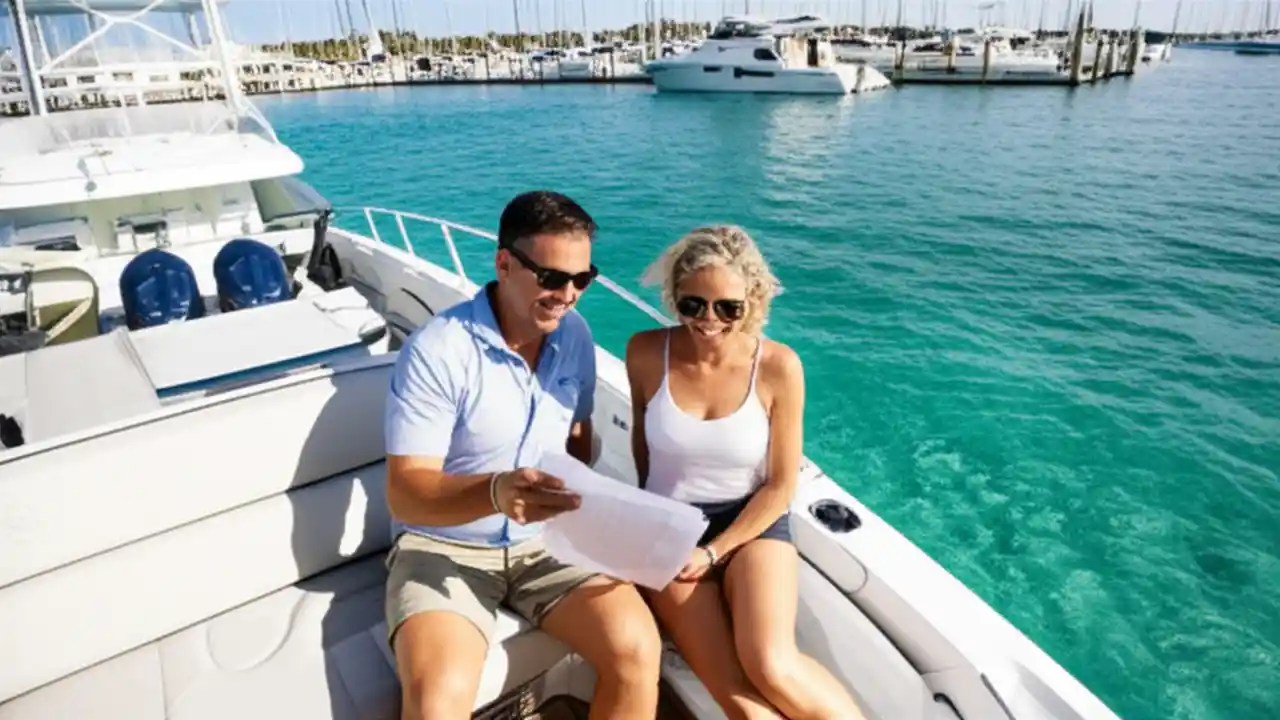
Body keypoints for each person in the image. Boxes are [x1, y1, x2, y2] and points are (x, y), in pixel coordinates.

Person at [384, 191, 662, 720]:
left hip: (547, 540)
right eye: (552, 277)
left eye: (583, 279)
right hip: (446, 546)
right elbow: (406, 492)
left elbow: (578, 435)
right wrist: (496, 491)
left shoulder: (574, 336)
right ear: (504, 264)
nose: (568, 295)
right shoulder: (438, 351)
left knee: (637, 652)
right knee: (437, 704)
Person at [625, 225, 865, 720]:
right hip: (671, 528)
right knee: (736, 697)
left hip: (752, 524)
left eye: (727, 308)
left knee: (772, 666)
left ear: (752, 300)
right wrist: (652, 531)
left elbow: (780, 485)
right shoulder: (645, 352)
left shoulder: (779, 367)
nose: (708, 320)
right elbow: (643, 450)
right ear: (675, 297)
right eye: (693, 304)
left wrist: (714, 551)